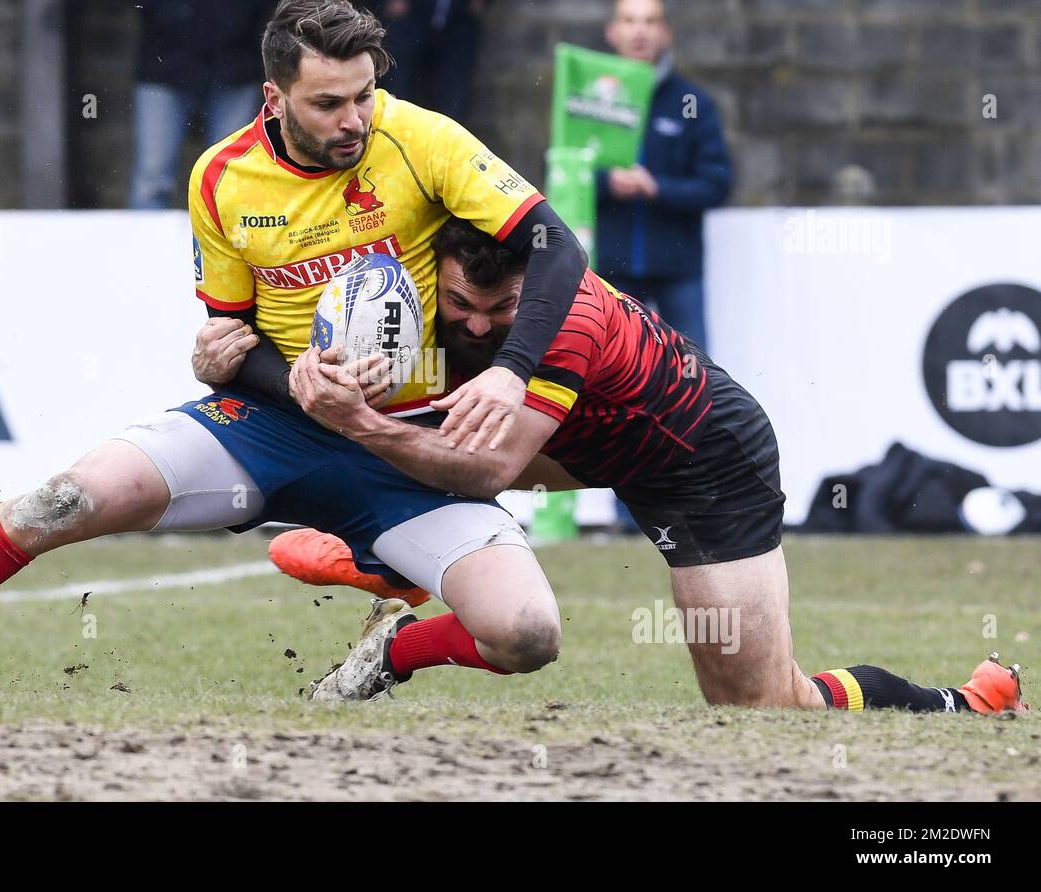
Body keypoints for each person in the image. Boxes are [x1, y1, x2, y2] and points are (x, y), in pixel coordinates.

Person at [0, 0, 590, 706]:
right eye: (329, 103)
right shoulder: (221, 179)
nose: (354, 120)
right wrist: (292, 378)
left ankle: (387, 652)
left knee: (527, 634)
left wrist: (512, 373)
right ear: (274, 97)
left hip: (412, 449)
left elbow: (558, 243)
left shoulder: (423, 140)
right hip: (272, 424)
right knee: (59, 501)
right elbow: (228, 344)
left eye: (364, 95)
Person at [234, 218, 1025, 713]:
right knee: (421, 442)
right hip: (582, 445)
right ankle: (389, 574)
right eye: (460, 305)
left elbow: (489, 470)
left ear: (532, 292)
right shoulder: (425, 299)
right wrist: (236, 347)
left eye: (499, 310)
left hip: (703, 460)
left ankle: (963, 701)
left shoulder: (565, 318)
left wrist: (362, 421)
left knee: (761, 706)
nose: (476, 324)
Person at [98, 0, 297, 209]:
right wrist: (157, 3)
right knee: (153, 179)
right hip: (166, 53)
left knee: (233, 177)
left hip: (233, 54)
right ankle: (145, 252)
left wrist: (246, 8)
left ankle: (233, 250)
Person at [594, 0, 731, 353]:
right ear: (612, 31)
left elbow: (716, 184)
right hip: (609, 270)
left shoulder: (692, 102)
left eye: (650, 21)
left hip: (678, 272)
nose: (640, 31)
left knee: (697, 381)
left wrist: (656, 188)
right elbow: (562, 174)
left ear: (666, 32)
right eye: (630, 20)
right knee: (611, 380)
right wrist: (608, 183)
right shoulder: (589, 99)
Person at [337, 0, 501, 121]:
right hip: (402, 19)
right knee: (396, 103)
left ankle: (444, 150)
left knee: (453, 105)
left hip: (458, 17)